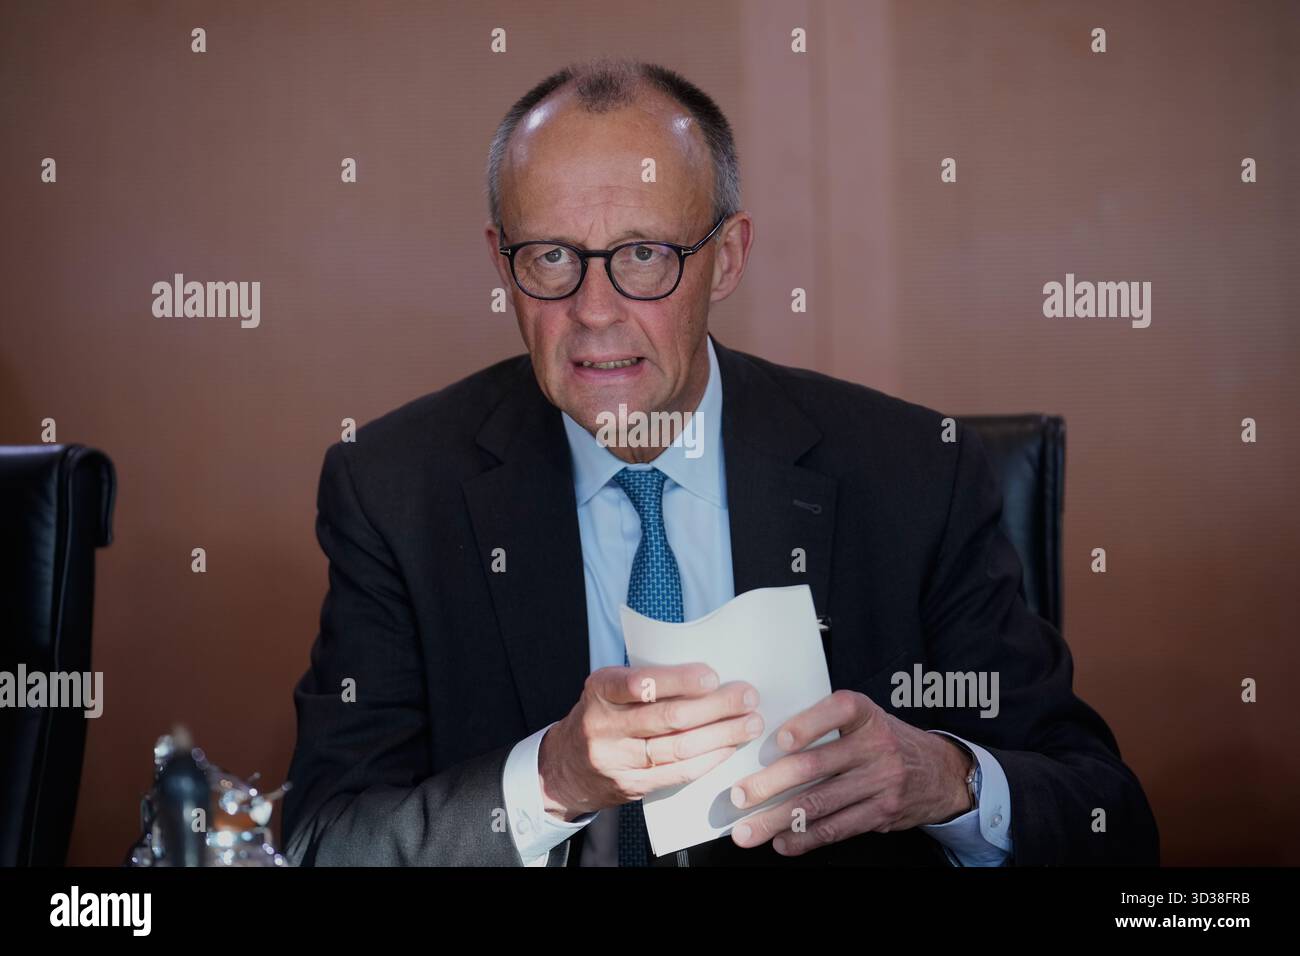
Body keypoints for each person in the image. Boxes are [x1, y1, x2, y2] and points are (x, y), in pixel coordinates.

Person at [281, 57, 1159, 867]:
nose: (594, 310)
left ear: (727, 257)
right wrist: (550, 782)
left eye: (644, 257)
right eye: (550, 256)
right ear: (501, 266)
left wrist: (946, 782)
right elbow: (326, 842)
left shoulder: (915, 476)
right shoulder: (394, 490)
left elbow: (1107, 818)